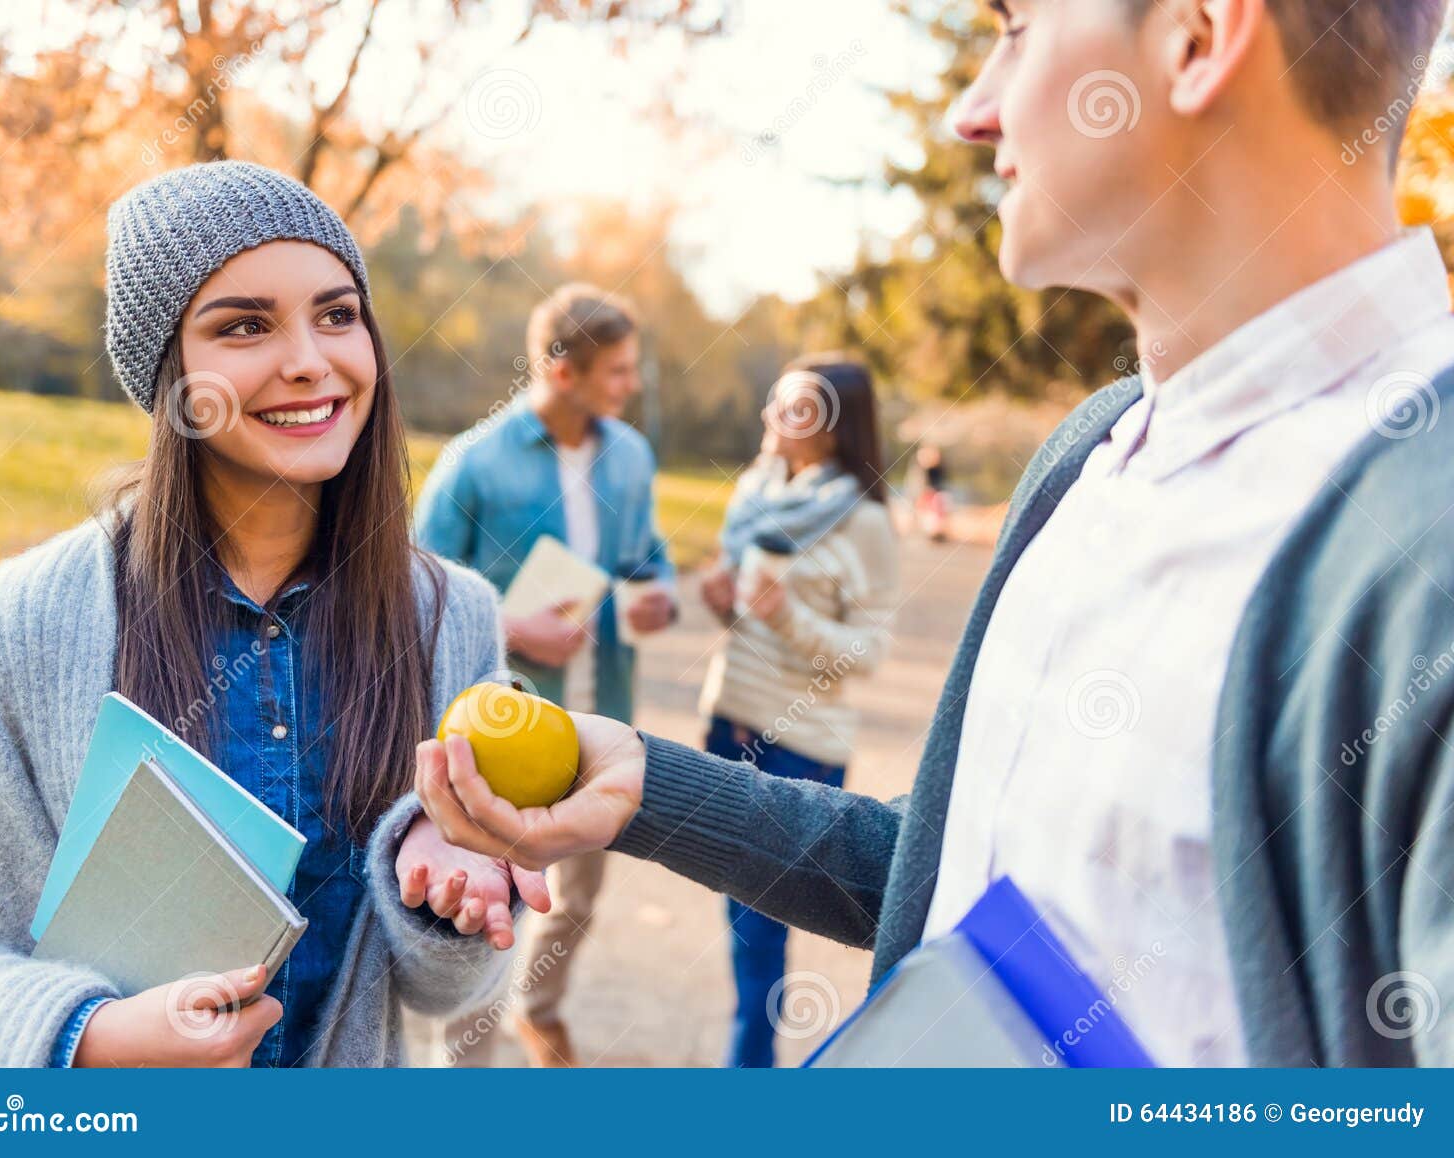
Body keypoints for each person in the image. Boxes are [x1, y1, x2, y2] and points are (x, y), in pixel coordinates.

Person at [415, 0, 1454, 1066]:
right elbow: (942, 872)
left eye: (1015, 29)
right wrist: (648, 787)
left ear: (1197, 35)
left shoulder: (1425, 542)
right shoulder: (1088, 456)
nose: (972, 112)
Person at [0, 161, 549, 1067]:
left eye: (337, 315)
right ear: (168, 373)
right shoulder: (23, 623)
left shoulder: (450, 619)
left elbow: (446, 995)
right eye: (244, 326)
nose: (309, 360)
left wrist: (443, 894)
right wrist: (88, 1037)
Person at [415, 283, 677, 1066]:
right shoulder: (475, 462)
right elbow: (416, 588)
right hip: (507, 727)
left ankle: (540, 1008)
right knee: (488, 900)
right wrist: (511, 627)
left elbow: (647, 555)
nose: (630, 385)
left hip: (604, 709)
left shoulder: (630, 456)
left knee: (579, 893)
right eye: (617, 371)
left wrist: (659, 593)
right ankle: (465, 1071)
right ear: (564, 372)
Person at [696, 356, 898, 1067]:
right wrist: (723, 605)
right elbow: (746, 621)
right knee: (740, 922)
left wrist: (787, 617)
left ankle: (748, 1072)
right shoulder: (756, 493)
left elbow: (869, 653)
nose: (768, 417)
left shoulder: (865, 521)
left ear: (831, 428)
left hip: (800, 747)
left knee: (760, 930)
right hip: (729, 725)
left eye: (789, 408)